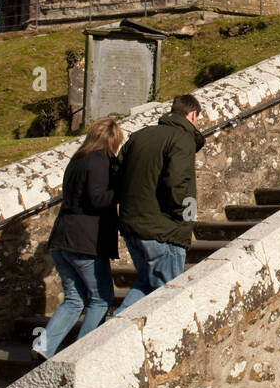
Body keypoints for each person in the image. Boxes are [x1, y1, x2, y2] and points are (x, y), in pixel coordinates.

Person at [32, 116, 124, 359]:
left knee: (74, 299)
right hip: (86, 241)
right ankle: (78, 355)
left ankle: (43, 347)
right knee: (102, 298)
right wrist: (121, 190)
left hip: (62, 237)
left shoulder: (77, 159)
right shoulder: (100, 160)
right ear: (113, 140)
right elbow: (97, 199)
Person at [114, 93, 206, 312]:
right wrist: (185, 215)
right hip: (164, 232)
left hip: (132, 228)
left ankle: (102, 337)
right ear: (192, 115)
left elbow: (116, 175)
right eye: (198, 118)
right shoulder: (182, 138)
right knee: (169, 301)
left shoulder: (139, 136)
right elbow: (177, 182)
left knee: (146, 285)